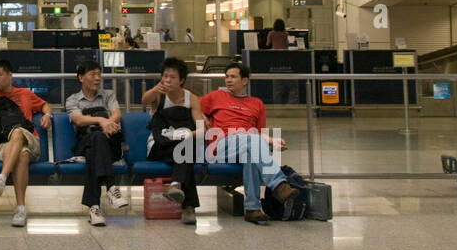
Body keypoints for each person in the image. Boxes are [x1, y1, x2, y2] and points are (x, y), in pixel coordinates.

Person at [201, 62, 298, 226]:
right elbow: (191, 105)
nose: (228, 80)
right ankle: (278, 184)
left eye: (233, 77)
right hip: (221, 145)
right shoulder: (216, 96)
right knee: (252, 141)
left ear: (244, 81)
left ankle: (252, 209)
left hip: (247, 144)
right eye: (227, 77)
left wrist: (271, 140)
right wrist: (202, 116)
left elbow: (259, 133)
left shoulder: (257, 104)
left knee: (250, 154)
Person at [0, 59, 51, 228]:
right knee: (22, 154)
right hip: (4, 145)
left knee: (18, 132)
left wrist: (48, 115)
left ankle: (2, 177)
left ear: (10, 75)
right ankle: (20, 209)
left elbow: (45, 105)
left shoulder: (25, 94)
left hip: (30, 138)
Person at [65, 59, 129, 226]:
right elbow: (78, 120)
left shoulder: (108, 95)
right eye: (92, 74)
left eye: (99, 75)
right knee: (97, 138)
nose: (97, 78)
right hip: (84, 142)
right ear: (80, 77)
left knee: (95, 149)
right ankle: (111, 186)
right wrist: (102, 120)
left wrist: (110, 122)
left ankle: (94, 208)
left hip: (109, 144)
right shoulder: (73, 100)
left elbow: (116, 113)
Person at [143, 56, 203, 225]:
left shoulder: (192, 99)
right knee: (187, 154)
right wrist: (156, 89)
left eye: (172, 77)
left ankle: (176, 185)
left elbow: (202, 128)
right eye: (165, 76)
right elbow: (144, 100)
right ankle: (188, 205)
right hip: (159, 146)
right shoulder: (158, 96)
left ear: (182, 80)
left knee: (186, 148)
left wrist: (189, 134)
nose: (167, 80)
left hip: (182, 145)